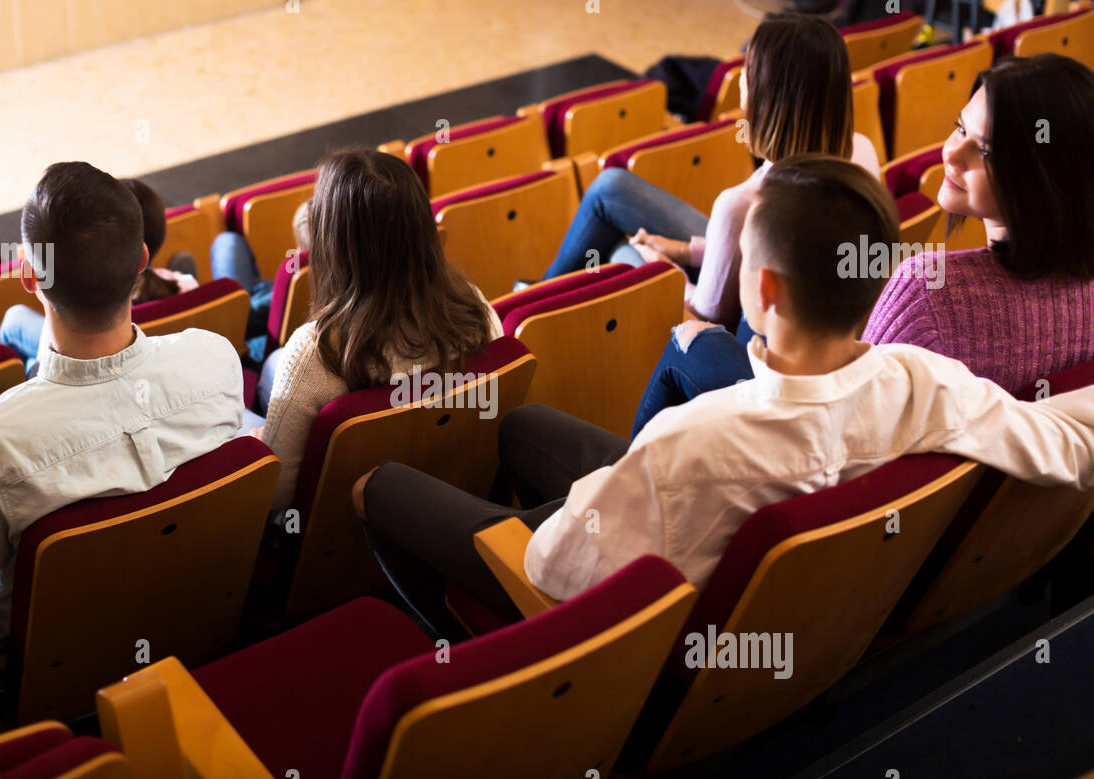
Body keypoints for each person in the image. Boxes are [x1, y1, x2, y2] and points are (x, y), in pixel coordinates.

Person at [353, 155, 1094, 638]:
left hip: (640, 613)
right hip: (767, 595)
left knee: (375, 487)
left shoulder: (692, 439)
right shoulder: (926, 379)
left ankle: (478, 653)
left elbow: (552, 571)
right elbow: (1062, 442)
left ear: (763, 289)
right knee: (521, 425)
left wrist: (571, 517)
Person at [632, 52, 1094, 435]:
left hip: (822, 451)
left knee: (689, 340)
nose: (950, 152)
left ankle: (614, 489)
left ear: (1045, 179)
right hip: (958, 523)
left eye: (986, 150)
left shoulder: (927, 291)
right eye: (959, 127)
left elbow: (845, 423)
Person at [0, 161, 244, 635]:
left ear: (29, 276)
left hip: (42, 678)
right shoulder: (217, 358)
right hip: (204, 625)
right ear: (143, 259)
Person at [542, 12, 880, 332]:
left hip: (738, 334)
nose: (741, 87)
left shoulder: (742, 203)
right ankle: (533, 295)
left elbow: (707, 318)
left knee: (620, 250)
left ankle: (532, 309)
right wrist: (683, 250)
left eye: (746, 76)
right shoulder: (862, 150)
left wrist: (660, 266)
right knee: (610, 186)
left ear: (766, 100)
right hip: (804, 300)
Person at [260, 148, 501, 511]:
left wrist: (261, 440)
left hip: (342, 540)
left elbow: (276, 495)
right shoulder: (474, 308)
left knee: (269, 370)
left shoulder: (314, 353)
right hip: (456, 501)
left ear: (330, 244)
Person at [0, 178, 198, 377]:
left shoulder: (50, 338)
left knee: (14, 320)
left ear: (29, 277)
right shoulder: (212, 345)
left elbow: (44, 369)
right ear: (142, 258)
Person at [212, 200, 312, 367]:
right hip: (268, 294)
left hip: (258, 329)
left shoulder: (294, 282)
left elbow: (240, 319)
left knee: (226, 241)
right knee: (229, 243)